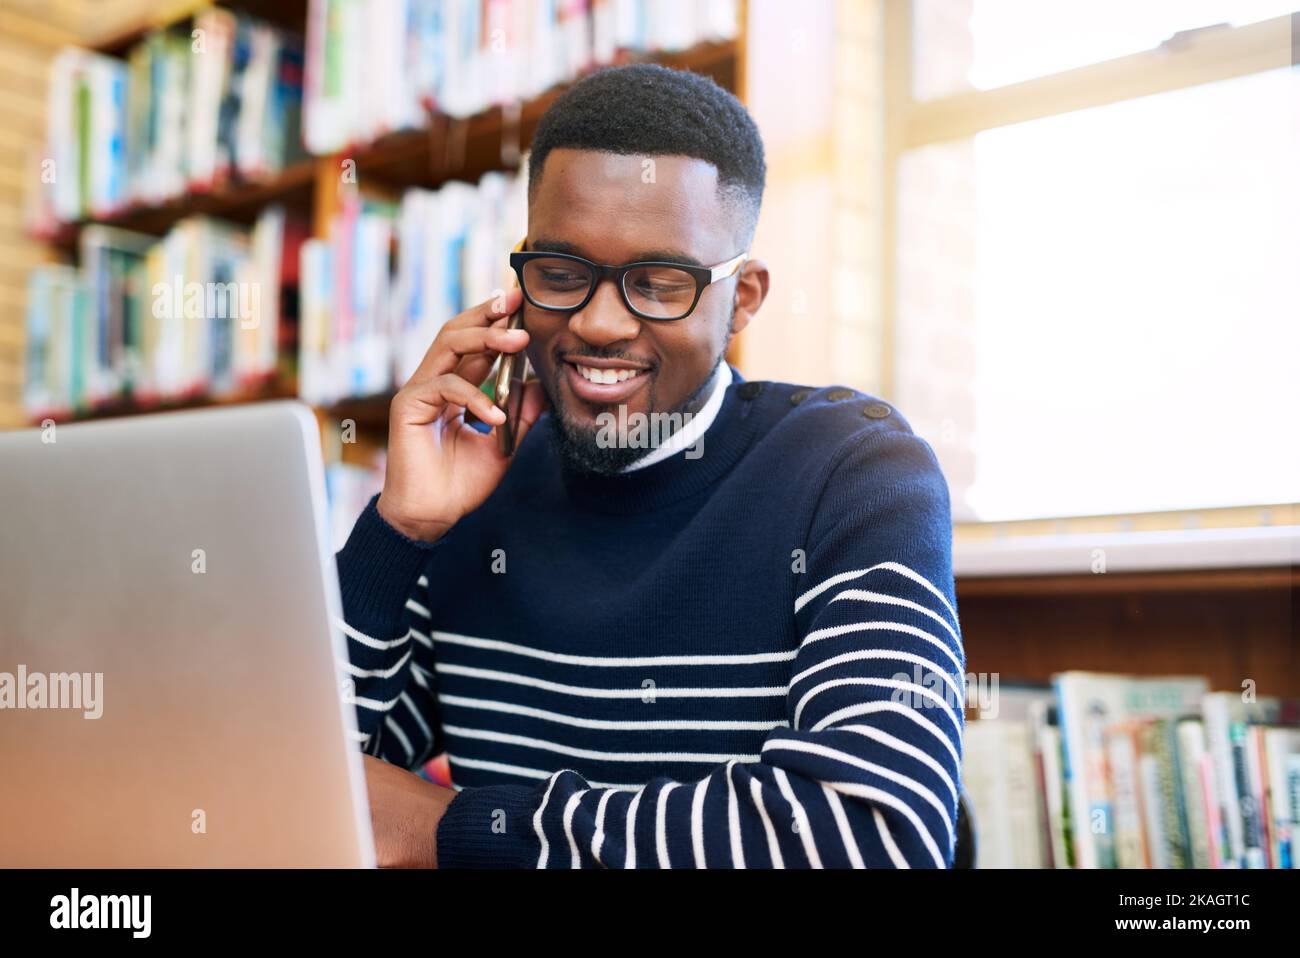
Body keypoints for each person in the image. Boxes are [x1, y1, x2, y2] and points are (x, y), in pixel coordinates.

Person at [337, 62, 964, 868]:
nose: (599, 323)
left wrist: (449, 829)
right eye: (562, 276)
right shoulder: (481, 481)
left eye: (659, 283)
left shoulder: (854, 469)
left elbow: (871, 836)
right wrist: (400, 531)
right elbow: (301, 773)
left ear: (742, 300)